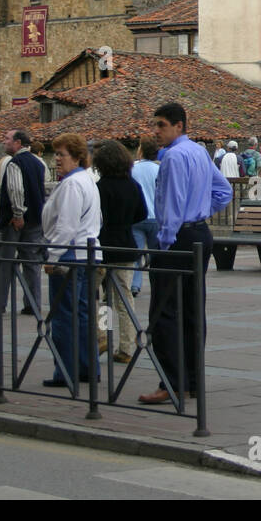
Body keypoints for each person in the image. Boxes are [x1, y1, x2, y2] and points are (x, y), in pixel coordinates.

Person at [140, 103, 232, 405]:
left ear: (179, 126)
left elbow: (172, 203)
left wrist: (165, 242)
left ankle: (171, 381)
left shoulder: (174, 156)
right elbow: (224, 191)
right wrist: (202, 212)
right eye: (156, 124)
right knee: (193, 309)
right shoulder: (199, 152)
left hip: (178, 237)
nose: (156, 131)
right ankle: (191, 380)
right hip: (199, 233)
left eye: (162, 125)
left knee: (164, 311)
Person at [40, 133, 102, 388]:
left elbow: (66, 226)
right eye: (55, 154)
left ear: (77, 157)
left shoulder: (73, 184)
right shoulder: (87, 180)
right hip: (87, 253)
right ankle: (88, 367)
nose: (56, 159)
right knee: (85, 313)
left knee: (64, 316)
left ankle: (66, 370)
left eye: (61, 154)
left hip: (70, 254)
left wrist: (53, 256)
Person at [93, 139, 149, 364]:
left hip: (103, 246)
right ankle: (126, 345)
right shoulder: (133, 185)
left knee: (98, 296)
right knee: (124, 298)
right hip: (126, 245)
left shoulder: (100, 187)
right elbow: (142, 213)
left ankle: (102, 335)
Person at [0, 129, 47, 315]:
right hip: (36, 219)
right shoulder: (38, 164)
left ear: (18, 143)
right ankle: (33, 303)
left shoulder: (15, 163)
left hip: (14, 220)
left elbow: (16, 189)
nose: (4, 142)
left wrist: (18, 213)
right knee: (31, 262)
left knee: (3, 261)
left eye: (7, 139)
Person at [129, 138, 161, 297]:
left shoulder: (133, 168)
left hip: (137, 217)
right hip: (156, 217)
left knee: (136, 254)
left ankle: (135, 285)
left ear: (140, 150)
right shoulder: (159, 169)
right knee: (156, 255)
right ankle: (157, 284)